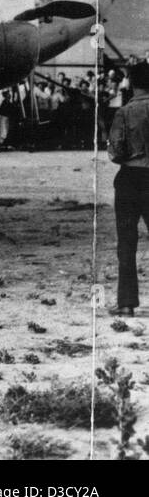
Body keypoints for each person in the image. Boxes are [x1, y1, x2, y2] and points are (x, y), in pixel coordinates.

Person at [108, 62, 149, 317]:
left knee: (126, 242)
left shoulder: (125, 111)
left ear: (132, 83)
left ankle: (126, 303)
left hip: (131, 177)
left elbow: (115, 151)